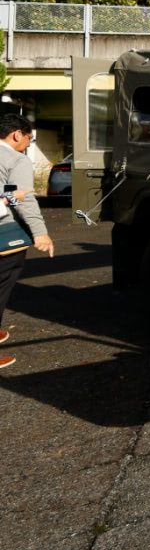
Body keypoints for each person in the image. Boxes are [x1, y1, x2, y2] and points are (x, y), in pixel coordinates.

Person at [0, 114, 55, 370]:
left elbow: (8, 194)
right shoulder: (15, 159)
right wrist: (40, 233)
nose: (28, 146)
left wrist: (10, 198)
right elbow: (22, 199)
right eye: (28, 140)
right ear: (16, 134)